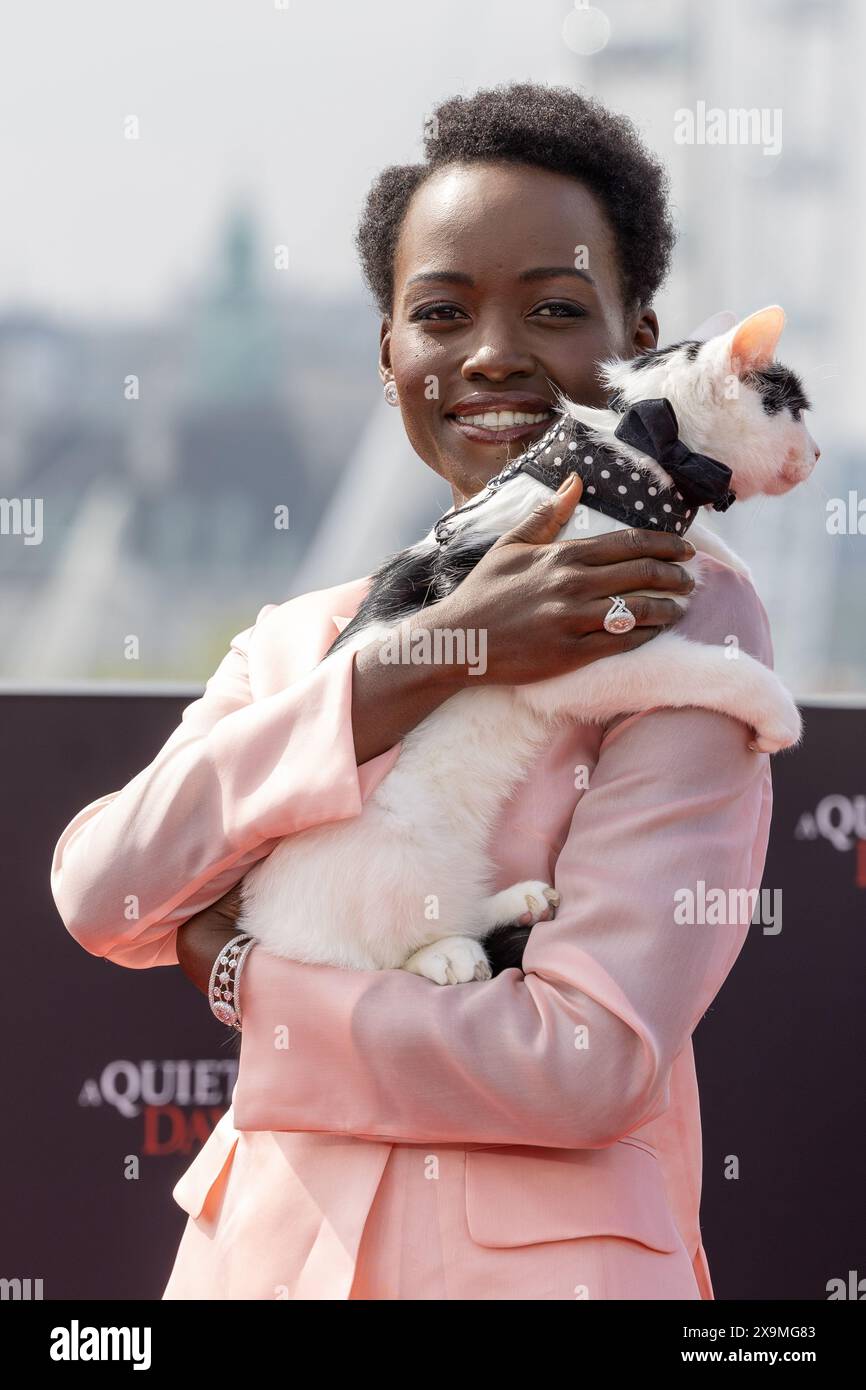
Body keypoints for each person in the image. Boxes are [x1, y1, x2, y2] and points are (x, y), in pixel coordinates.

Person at [50, 82, 774, 1300]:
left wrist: (252, 984)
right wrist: (425, 655)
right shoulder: (305, 636)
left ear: (640, 342)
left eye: (552, 308)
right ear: (389, 352)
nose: (490, 353)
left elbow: (581, 1059)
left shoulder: (681, 611)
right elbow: (103, 887)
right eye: (439, 312)